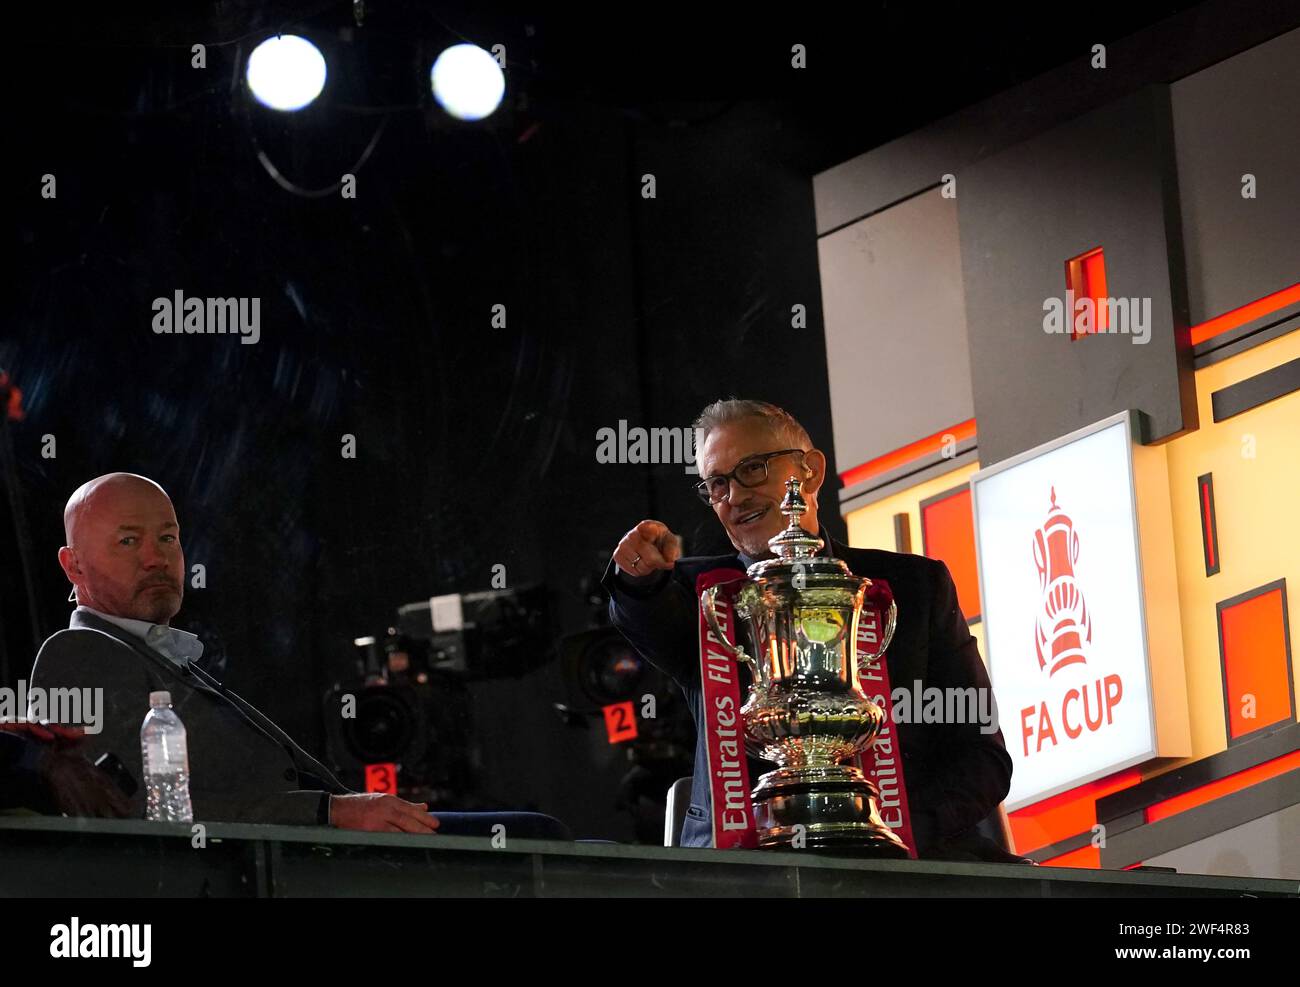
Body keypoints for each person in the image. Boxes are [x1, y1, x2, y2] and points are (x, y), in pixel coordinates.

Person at [28, 472, 569, 839]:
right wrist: (329, 813)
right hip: (282, 865)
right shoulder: (78, 651)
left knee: (543, 837)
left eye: (168, 538)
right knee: (538, 839)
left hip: (312, 856)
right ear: (72, 566)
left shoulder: (164, 656)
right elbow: (127, 809)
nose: (156, 557)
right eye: (128, 542)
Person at [604, 399, 1026, 862]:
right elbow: (647, 617)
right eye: (718, 484)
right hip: (747, 873)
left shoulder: (911, 587)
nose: (736, 496)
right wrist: (640, 580)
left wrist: (884, 831)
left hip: (905, 866)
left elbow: (980, 758)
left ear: (812, 471)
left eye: (753, 468)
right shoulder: (700, 594)